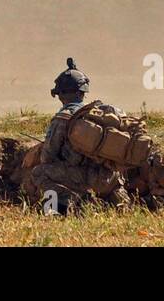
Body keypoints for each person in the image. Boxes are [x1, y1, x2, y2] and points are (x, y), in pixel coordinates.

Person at [26, 58, 128, 213]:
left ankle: (58, 211)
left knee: (40, 172)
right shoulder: (99, 114)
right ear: (83, 93)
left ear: (61, 95)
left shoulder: (63, 118)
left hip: (84, 178)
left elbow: (47, 156)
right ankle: (122, 206)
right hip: (110, 178)